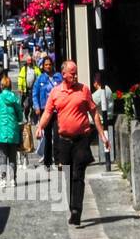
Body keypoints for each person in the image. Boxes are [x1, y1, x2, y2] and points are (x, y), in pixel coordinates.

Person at [37, 60, 109, 226]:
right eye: (72, 73)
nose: (75, 75)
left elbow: (94, 113)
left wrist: (102, 135)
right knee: (68, 175)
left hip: (81, 140)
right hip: (64, 141)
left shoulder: (84, 90)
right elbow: (47, 113)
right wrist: (40, 127)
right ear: (63, 75)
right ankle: (72, 207)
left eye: (76, 72)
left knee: (78, 174)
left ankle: (76, 210)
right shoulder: (55, 93)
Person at [0, 71, 24, 189]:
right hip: (12, 130)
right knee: (13, 156)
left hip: (1, 131)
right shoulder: (14, 98)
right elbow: (19, 113)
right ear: (10, 86)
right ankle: (13, 179)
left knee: (3, 156)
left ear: (1, 86)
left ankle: (3, 180)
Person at [31, 57, 61, 167]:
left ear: (52, 65)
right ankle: (47, 161)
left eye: (49, 64)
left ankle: (58, 161)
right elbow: (34, 94)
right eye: (46, 65)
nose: (48, 66)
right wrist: (37, 107)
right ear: (43, 66)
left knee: (57, 135)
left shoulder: (58, 77)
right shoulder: (40, 79)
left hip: (57, 110)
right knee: (47, 136)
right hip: (45, 110)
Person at [93, 73, 115, 165]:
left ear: (96, 82)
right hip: (106, 118)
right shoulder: (107, 89)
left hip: (102, 121)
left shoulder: (101, 91)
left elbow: (90, 102)